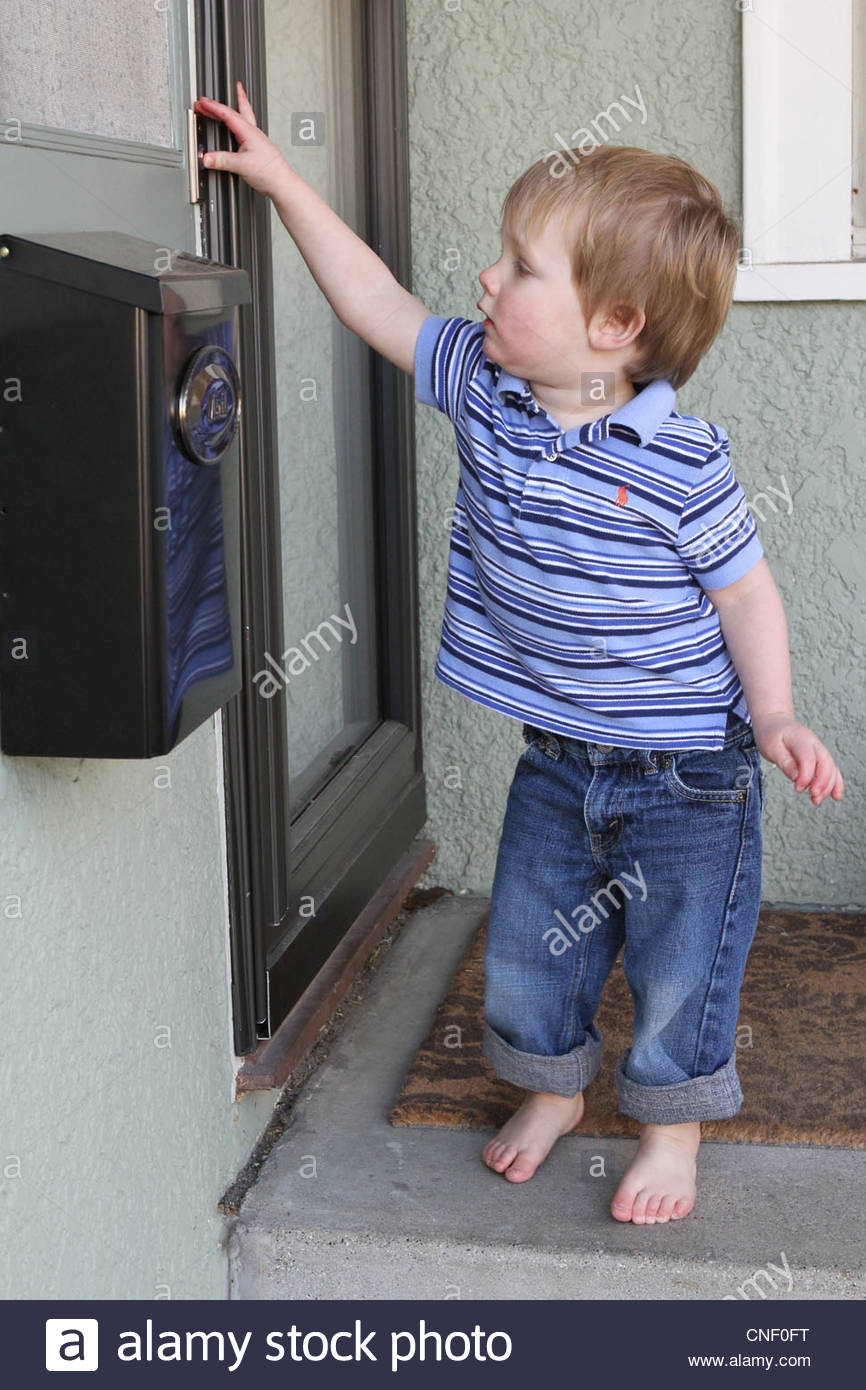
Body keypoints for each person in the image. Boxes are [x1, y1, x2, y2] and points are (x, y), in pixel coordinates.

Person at [195, 83, 844, 1225]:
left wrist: (778, 714)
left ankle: (671, 1131)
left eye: (521, 267)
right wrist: (281, 179)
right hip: (557, 758)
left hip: (689, 776)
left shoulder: (681, 461)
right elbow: (375, 302)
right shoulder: (490, 393)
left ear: (615, 326)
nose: (486, 279)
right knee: (533, 950)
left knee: (682, 963)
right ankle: (551, 1090)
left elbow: (745, 591)